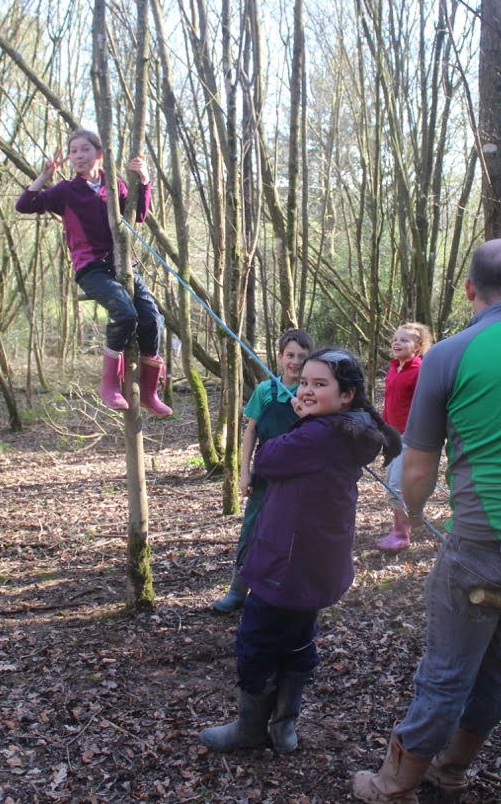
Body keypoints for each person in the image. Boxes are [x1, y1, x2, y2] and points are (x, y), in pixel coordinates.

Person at [352, 239, 501, 802]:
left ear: (469, 290)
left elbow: (417, 467)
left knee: (446, 673)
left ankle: (394, 784)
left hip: (484, 552)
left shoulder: (449, 354)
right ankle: (452, 769)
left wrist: (414, 513)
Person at [201, 348, 401, 755]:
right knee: (297, 637)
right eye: (304, 382)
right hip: (314, 562)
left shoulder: (319, 434)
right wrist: (307, 416)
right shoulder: (349, 427)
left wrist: (299, 419)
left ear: (347, 395)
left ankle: (251, 728)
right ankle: (283, 727)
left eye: (319, 384)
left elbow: (267, 458)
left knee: (256, 639)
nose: (305, 390)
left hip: (288, 563)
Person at [15, 128, 171, 416]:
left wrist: (145, 180)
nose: (78, 156)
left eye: (84, 150)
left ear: (99, 154)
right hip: (91, 267)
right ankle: (109, 384)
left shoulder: (113, 185)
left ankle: (149, 392)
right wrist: (44, 176)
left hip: (122, 264)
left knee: (152, 319)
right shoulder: (66, 191)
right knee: (125, 314)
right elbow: (25, 205)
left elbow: (138, 214)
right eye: (73, 151)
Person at [211, 328, 315, 613]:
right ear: (280, 357)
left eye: (302, 356)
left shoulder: (311, 393)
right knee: (253, 529)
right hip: (266, 475)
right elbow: (251, 432)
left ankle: (288, 590)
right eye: (290, 355)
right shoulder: (264, 391)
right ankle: (238, 590)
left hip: (299, 478)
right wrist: (245, 472)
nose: (295, 362)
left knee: (295, 532)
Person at [375, 322, 433, 552]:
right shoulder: (392, 368)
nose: (397, 343)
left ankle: (402, 534)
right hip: (392, 436)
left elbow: (425, 406)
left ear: (417, 346)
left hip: (410, 437)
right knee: (392, 482)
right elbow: (389, 403)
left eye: (404, 340)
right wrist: (382, 427)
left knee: (397, 486)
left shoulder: (420, 371)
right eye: (395, 339)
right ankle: (402, 527)